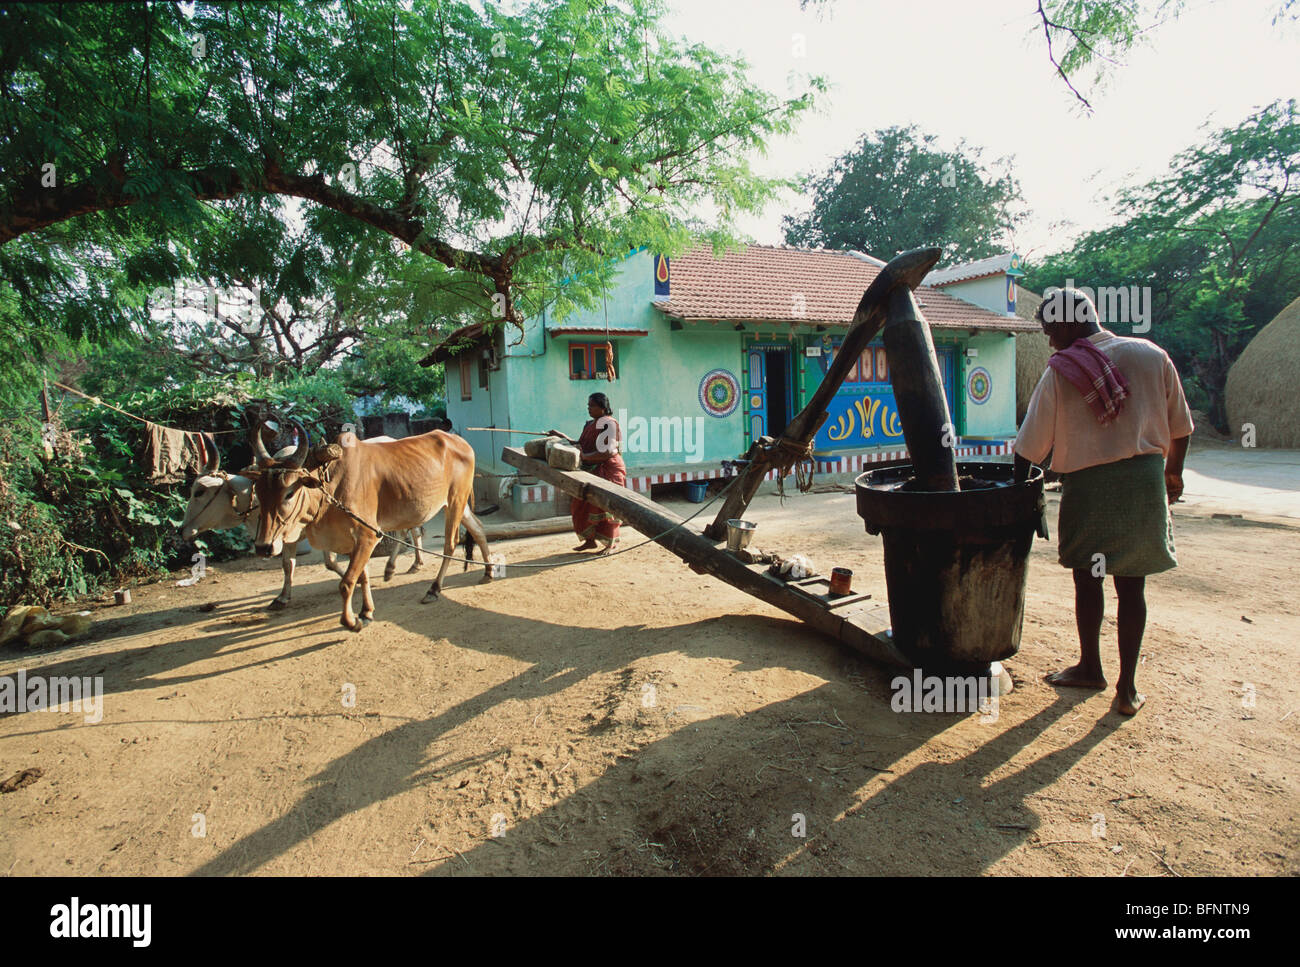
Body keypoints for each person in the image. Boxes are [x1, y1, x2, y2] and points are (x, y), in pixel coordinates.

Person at [1014, 288, 1193, 716]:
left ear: (1067, 325)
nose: (1051, 342)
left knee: (1088, 580)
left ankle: (1090, 666)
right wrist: (1172, 473)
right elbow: (1181, 426)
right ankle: (1126, 688)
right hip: (1143, 486)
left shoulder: (1063, 370)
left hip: (1089, 488)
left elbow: (1029, 446)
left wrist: (1018, 494)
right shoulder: (1151, 354)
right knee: (1132, 586)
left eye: (1050, 332)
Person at [549, 393, 627, 554]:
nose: (588, 408)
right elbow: (581, 444)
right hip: (589, 470)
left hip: (608, 470)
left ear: (603, 408)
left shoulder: (610, 424)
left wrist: (585, 457)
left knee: (607, 506)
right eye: (588, 405)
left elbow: (609, 452)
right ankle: (590, 541)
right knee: (581, 504)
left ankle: (611, 544)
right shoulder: (589, 424)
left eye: (592, 406)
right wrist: (561, 437)